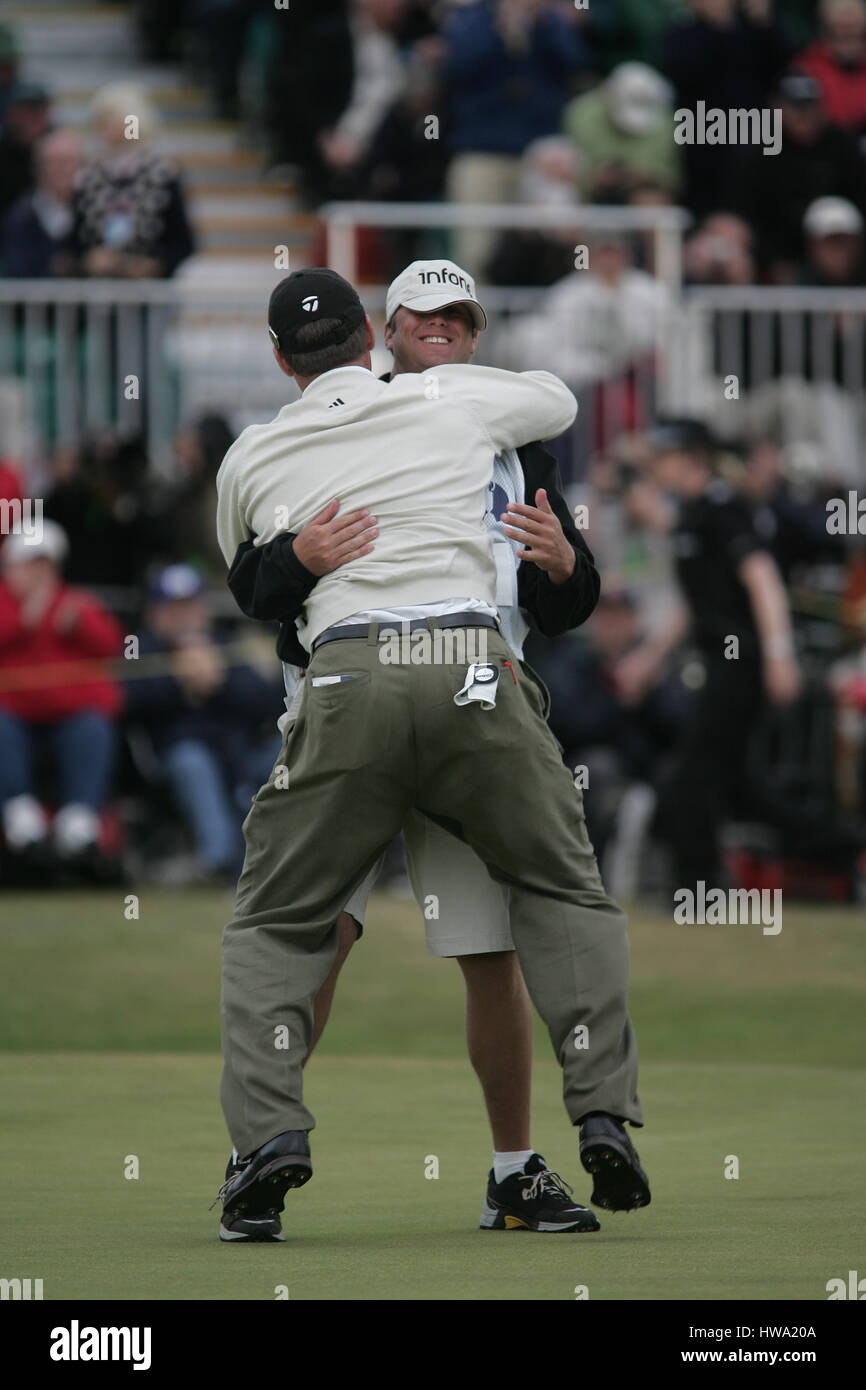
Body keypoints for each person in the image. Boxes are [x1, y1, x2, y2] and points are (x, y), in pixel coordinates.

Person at [212, 268, 649, 1244]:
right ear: (383, 333)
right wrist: (297, 562)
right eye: (425, 320)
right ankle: (601, 1110)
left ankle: (479, 1163)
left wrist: (566, 564)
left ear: (283, 359)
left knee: (309, 930)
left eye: (459, 321)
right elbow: (259, 583)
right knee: (528, 900)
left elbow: (567, 600)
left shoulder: (271, 447)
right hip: (464, 688)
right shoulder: (456, 404)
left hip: (361, 696)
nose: (442, 334)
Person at [617, 419, 802, 891]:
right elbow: (694, 603)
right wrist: (648, 658)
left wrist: (780, 657)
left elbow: (762, 579)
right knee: (739, 783)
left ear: (690, 457)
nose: (655, 469)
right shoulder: (693, 516)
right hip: (719, 663)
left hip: (741, 664)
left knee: (696, 771)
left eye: (662, 458)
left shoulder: (723, 508)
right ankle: (837, 854)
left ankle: (698, 885)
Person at [124, 564, 282, 883]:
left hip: (241, 752)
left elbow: (268, 702)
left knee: (287, 753)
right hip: (174, 757)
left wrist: (219, 680)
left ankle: (286, 862)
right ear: (156, 612)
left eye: (189, 606)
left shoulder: (226, 644)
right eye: (172, 608)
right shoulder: (140, 647)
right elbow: (127, 702)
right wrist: (179, 681)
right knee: (193, 763)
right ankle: (220, 863)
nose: (183, 615)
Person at [0, 521, 123, 885]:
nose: (39, 575)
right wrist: (25, 620)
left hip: (69, 720)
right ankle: (20, 818)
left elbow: (111, 647)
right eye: (30, 565)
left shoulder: (77, 605)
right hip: (13, 720)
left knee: (93, 728)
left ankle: (79, 823)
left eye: (45, 565)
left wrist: (80, 624)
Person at [441, 0, 591, 275]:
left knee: (550, 245)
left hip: (540, 154)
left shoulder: (550, 20)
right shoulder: (471, 17)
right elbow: (457, 66)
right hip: (481, 150)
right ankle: (477, 315)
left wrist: (540, 25)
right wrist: (498, 29)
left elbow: (574, 62)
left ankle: (546, 316)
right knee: (477, 251)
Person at [70, 82, 195, 279]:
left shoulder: (162, 174)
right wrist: (88, 259)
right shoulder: (88, 176)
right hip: (98, 292)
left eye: (108, 118)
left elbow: (182, 240)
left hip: (148, 293)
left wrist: (154, 266)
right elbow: (74, 239)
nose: (102, 126)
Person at [561, 62, 681, 204]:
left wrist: (646, 177)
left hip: (641, 196)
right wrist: (591, 176)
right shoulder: (580, 114)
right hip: (582, 192)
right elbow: (564, 167)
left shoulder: (665, 123)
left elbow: (673, 177)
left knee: (652, 200)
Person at [0, 129, 81, 278]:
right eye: (53, 163)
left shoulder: (87, 213)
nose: (61, 170)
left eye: (67, 162)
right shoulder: (19, 217)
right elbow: (15, 267)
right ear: (38, 168)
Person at [795, 0, 866, 138]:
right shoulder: (805, 68)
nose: (847, 34)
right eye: (839, 28)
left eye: (854, 28)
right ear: (824, 30)